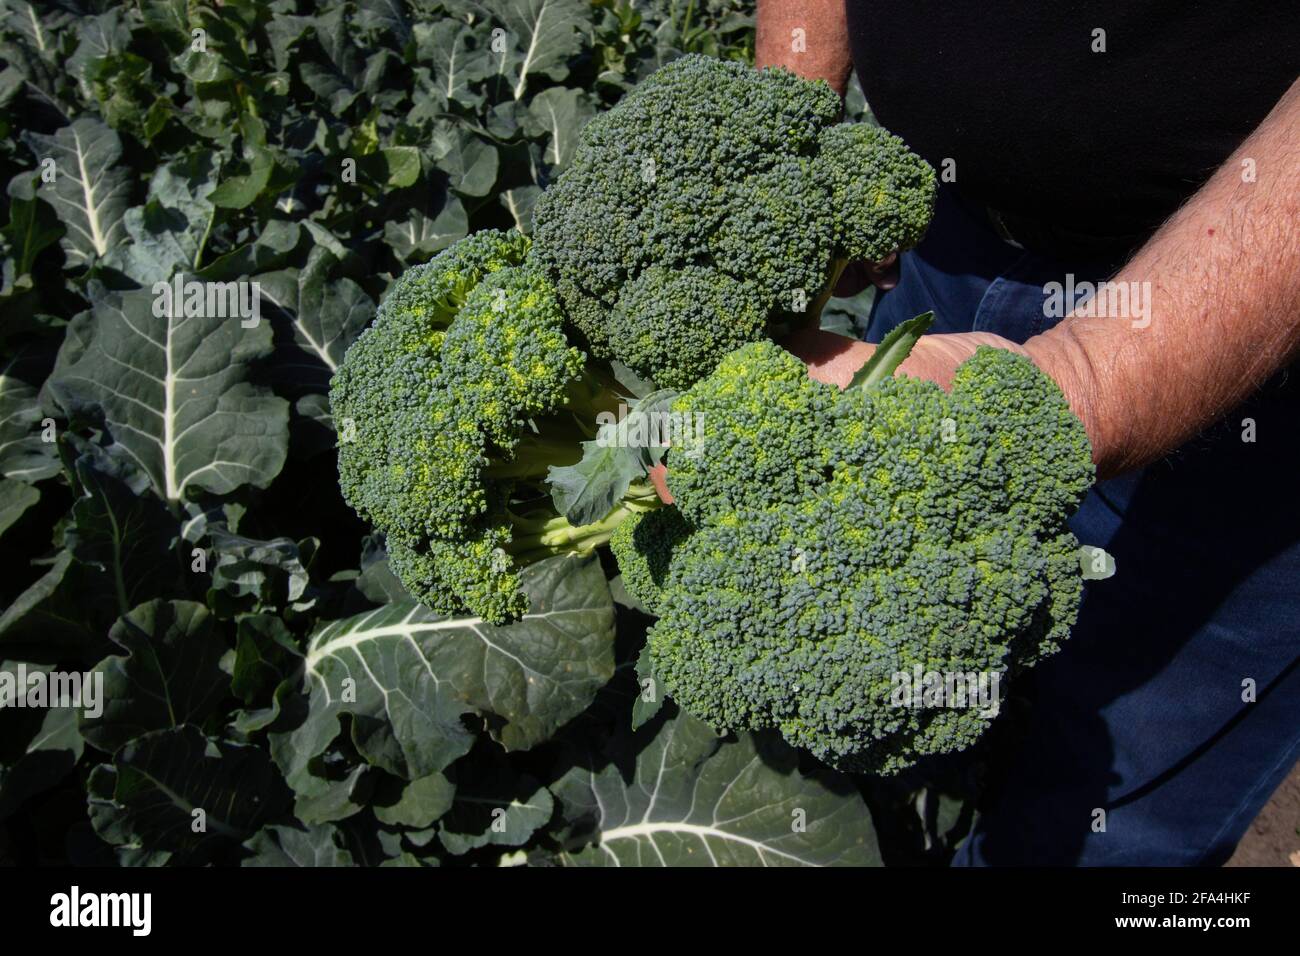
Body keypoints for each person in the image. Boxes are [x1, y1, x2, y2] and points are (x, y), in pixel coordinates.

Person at [756, 1, 1300, 865]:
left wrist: (1075, 383)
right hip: (949, 240)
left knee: (1111, 812)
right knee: (883, 683)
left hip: (1251, 340)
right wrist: (779, 167)